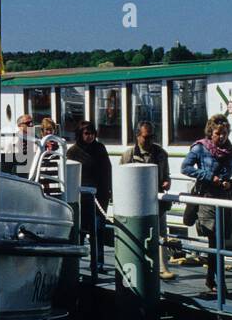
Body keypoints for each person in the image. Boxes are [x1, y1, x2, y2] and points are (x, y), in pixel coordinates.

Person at [181, 113, 232, 296]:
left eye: (225, 133)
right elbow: (185, 167)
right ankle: (220, 283)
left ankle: (211, 278)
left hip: (224, 199)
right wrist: (210, 176)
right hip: (206, 198)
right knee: (215, 239)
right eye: (218, 133)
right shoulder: (200, 148)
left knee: (217, 241)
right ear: (211, 133)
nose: (222, 137)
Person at [120, 120, 174, 281]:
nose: (149, 140)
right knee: (139, 234)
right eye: (146, 137)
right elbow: (121, 178)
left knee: (161, 232)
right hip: (134, 203)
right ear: (137, 136)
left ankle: (163, 267)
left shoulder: (161, 154)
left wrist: (167, 182)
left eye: (152, 136)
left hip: (156, 201)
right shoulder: (128, 156)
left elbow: (166, 175)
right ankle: (140, 264)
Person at [68, 120, 113, 270]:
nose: (90, 136)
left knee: (98, 229)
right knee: (79, 229)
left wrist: (109, 190)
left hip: (98, 196)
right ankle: (76, 262)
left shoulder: (100, 148)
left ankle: (98, 262)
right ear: (80, 134)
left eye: (92, 133)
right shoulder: (73, 152)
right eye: (87, 133)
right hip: (80, 197)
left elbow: (107, 170)